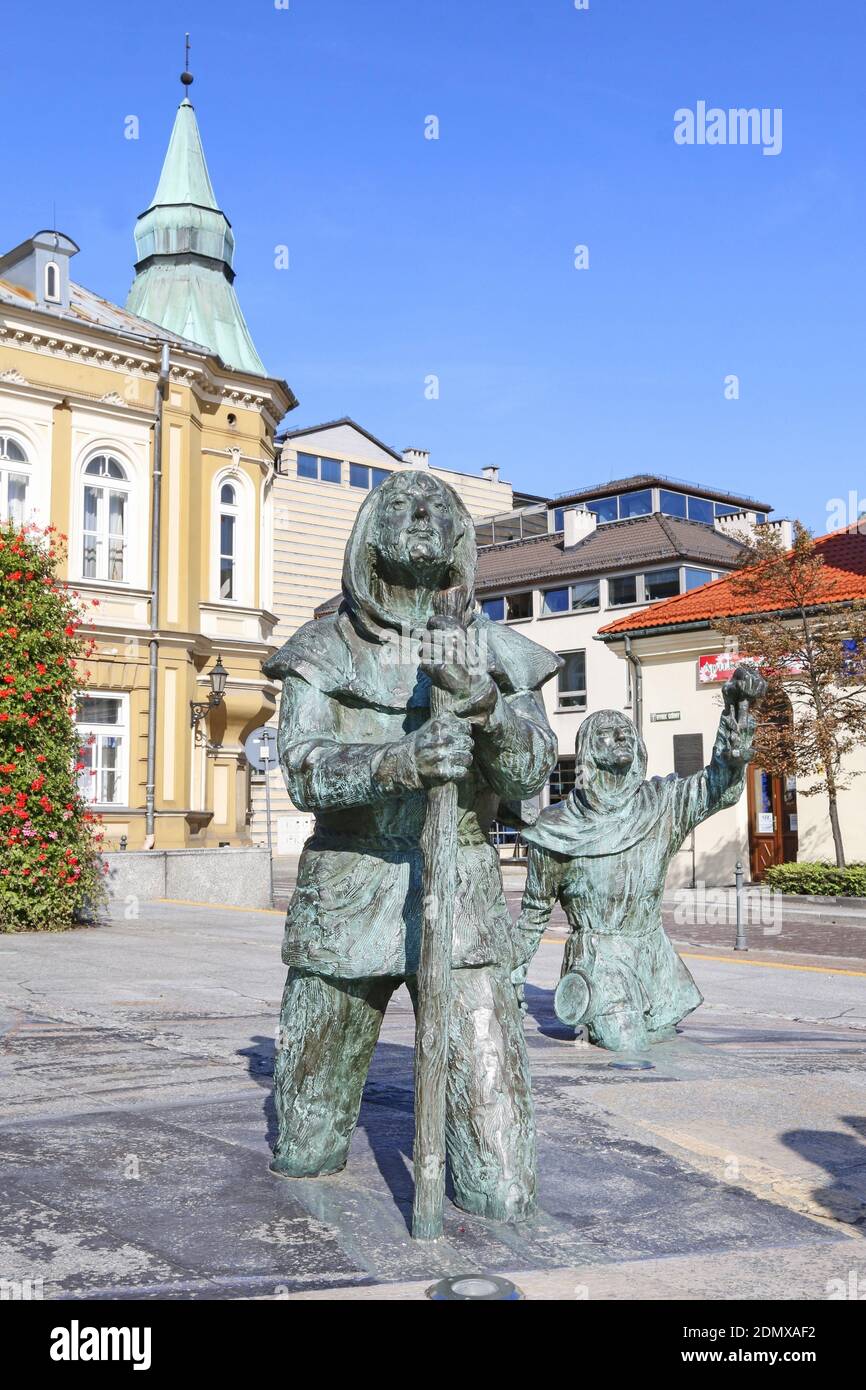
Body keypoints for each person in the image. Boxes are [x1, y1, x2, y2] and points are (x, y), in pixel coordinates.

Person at [262, 469, 559, 1222]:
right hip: (348, 889)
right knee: (305, 1148)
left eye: (439, 507)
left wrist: (487, 705)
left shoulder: (495, 647)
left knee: (501, 1187)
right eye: (399, 504)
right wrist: (399, 763)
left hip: (459, 891)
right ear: (369, 535)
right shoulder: (323, 647)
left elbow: (528, 772)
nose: (422, 513)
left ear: (463, 538)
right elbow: (301, 769)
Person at [514, 666, 766, 1053]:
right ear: (587, 750)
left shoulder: (660, 804)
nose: (620, 738)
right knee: (625, 1040)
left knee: (662, 1044)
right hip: (599, 958)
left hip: (653, 956)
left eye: (626, 733)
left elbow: (717, 785)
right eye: (606, 734)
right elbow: (534, 912)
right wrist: (512, 980)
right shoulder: (557, 826)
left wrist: (735, 709)